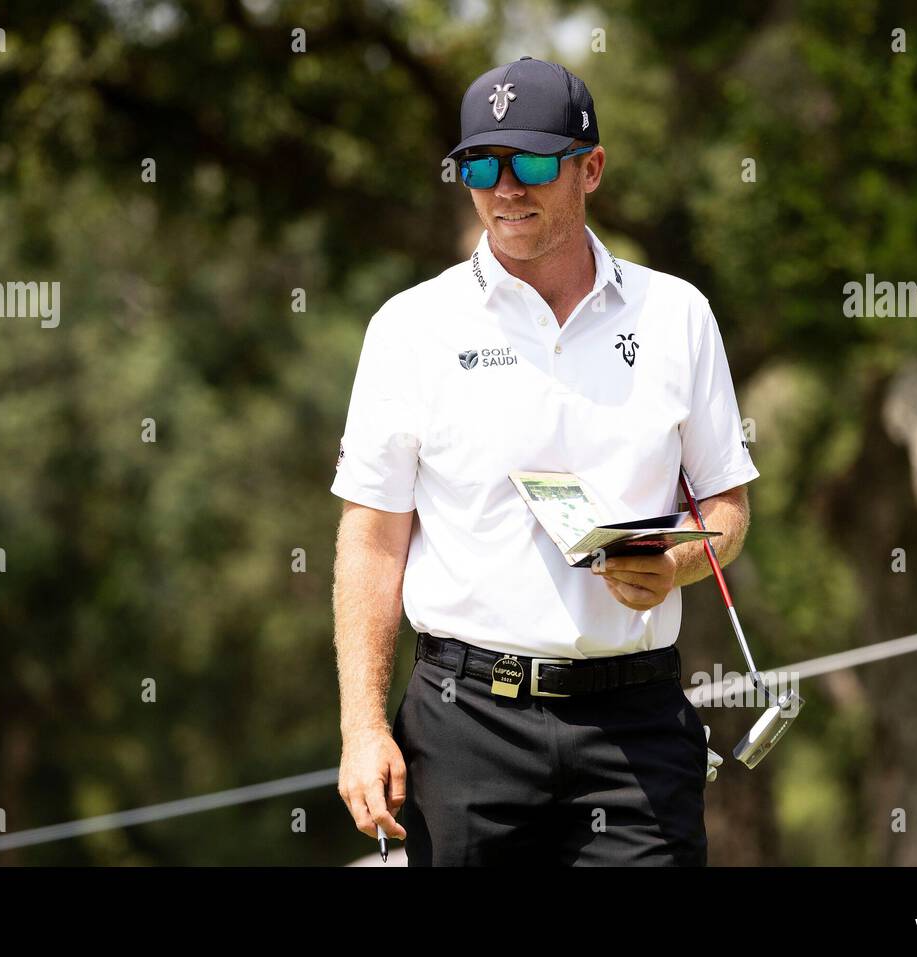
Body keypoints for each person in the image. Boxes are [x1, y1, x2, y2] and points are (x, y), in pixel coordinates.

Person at [331, 56, 758, 866]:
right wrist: (362, 724)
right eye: (480, 166)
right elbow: (372, 539)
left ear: (590, 168)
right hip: (462, 726)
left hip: (637, 723)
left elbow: (727, 512)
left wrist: (677, 563)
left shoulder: (679, 315)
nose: (505, 189)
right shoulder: (408, 327)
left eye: (529, 163)